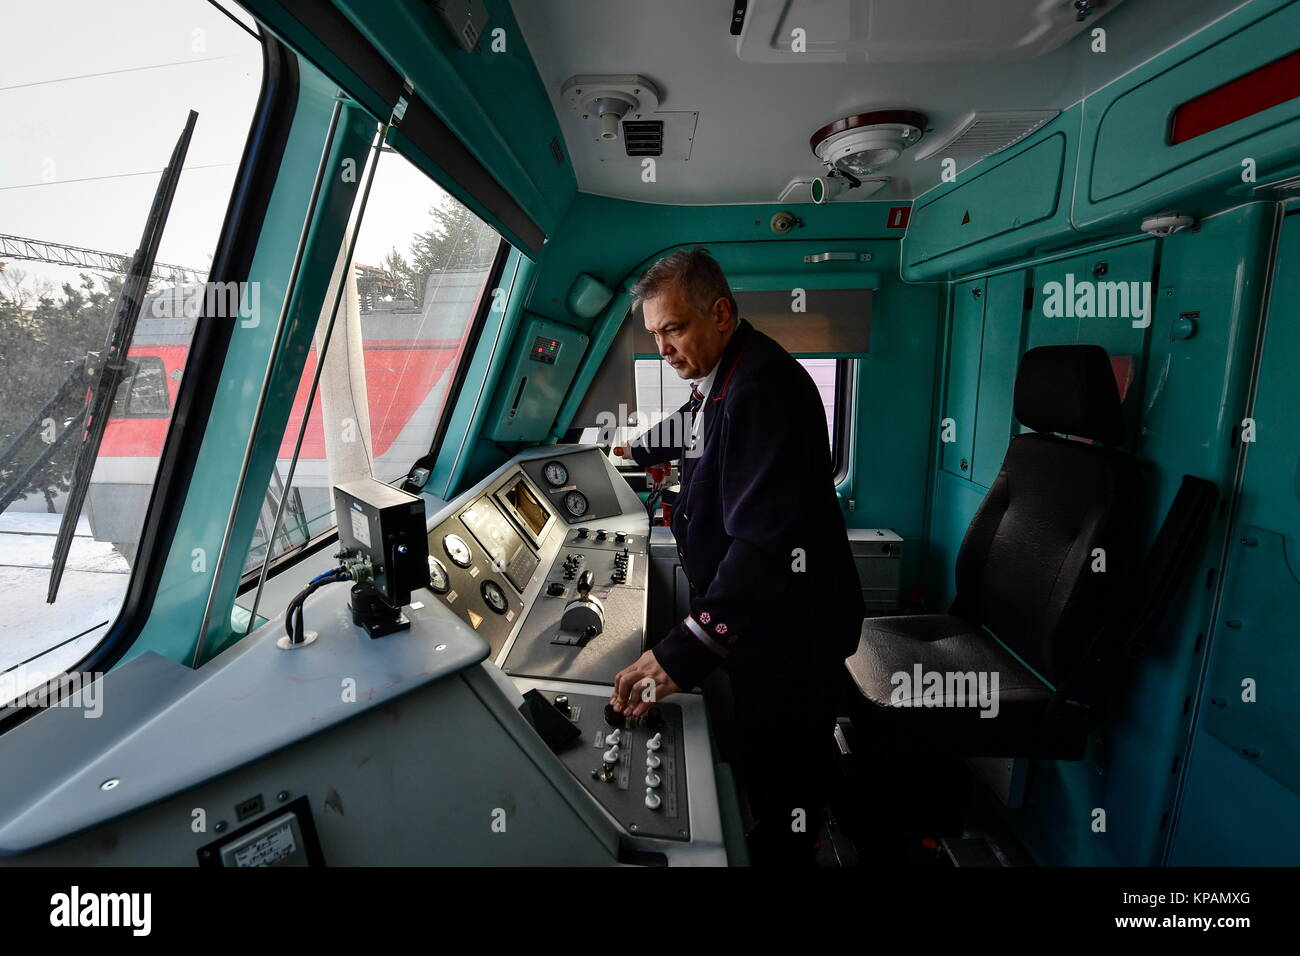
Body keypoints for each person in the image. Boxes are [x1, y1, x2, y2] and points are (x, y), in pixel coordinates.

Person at [610, 247, 865, 865]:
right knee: (769, 745)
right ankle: (785, 825)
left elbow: (763, 547)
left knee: (779, 756)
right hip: (765, 621)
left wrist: (682, 650)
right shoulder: (726, 378)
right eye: (654, 335)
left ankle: (789, 845)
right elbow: (695, 423)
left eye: (674, 329)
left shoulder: (763, 388)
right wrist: (632, 450)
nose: (663, 348)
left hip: (790, 624)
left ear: (720, 313)